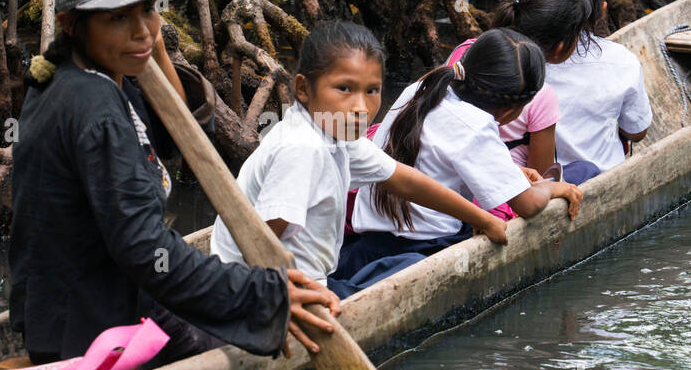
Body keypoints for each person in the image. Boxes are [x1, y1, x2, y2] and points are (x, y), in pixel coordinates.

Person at [9, 0, 340, 367]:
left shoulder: (76, 76)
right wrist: (264, 294)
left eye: (148, 8)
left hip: (63, 315)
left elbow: (169, 136)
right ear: (72, 23)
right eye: (117, 18)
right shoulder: (95, 107)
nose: (141, 30)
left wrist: (152, 46)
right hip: (96, 329)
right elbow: (147, 252)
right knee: (253, 341)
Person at [211, 21, 510, 297]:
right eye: (344, 88)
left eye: (372, 91)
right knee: (410, 267)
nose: (361, 107)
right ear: (303, 88)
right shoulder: (303, 148)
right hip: (264, 290)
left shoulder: (335, 132)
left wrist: (481, 218)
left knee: (407, 262)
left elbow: (405, 181)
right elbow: (258, 242)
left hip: (308, 278)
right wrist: (288, 301)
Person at [335, 28, 582, 289]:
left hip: (370, 236)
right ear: (510, 110)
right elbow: (528, 205)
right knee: (580, 173)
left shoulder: (422, 88)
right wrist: (553, 187)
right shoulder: (476, 127)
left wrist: (513, 173)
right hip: (426, 242)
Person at [444, 0, 593, 176]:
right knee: (586, 170)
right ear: (559, 47)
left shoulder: (466, 50)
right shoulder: (540, 93)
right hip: (505, 188)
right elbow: (540, 174)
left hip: (450, 169)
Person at [532, 0, 652, 180]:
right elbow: (636, 132)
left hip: (531, 184)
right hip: (598, 178)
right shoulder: (621, 60)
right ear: (601, 11)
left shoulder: (514, 56)